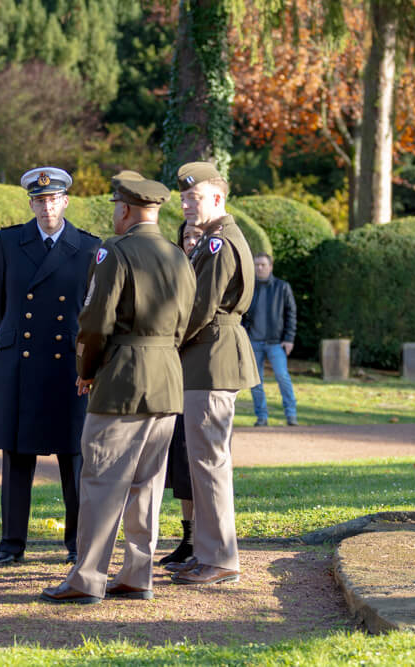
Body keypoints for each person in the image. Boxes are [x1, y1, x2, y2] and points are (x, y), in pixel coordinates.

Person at [40, 170, 196, 603]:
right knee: (147, 485)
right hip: (166, 379)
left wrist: (86, 369)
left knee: (102, 482)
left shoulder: (115, 252)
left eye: (115, 206)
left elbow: (94, 323)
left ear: (125, 209)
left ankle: (86, 577)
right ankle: (136, 574)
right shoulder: (178, 255)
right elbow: (186, 321)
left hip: (122, 379)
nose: (114, 213)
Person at [0, 167, 99, 566]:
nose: (46, 206)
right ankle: (11, 544)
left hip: (69, 366)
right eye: (39, 200)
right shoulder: (9, 241)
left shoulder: (89, 248)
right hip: (21, 364)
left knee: (75, 458)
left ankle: (76, 543)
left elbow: (94, 309)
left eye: (53, 200)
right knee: (16, 458)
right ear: (30, 203)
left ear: (66, 201)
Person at [167, 162, 259, 586]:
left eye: (195, 197)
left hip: (211, 358)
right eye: (184, 197)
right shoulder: (213, 240)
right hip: (207, 359)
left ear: (218, 199)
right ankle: (206, 552)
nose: (186, 204)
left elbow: (200, 308)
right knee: (202, 461)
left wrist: (162, 344)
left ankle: (220, 559)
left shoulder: (219, 243)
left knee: (208, 463)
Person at [157, 222, 203, 567]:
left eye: (197, 237)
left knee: (197, 459)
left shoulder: (211, 271)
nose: (190, 242)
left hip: (200, 373)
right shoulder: (172, 272)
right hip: (171, 373)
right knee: (180, 461)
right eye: (186, 237)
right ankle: (187, 538)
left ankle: (203, 540)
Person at [243, 252, 298, 426]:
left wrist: (289, 338)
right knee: (256, 382)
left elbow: (291, 314)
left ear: (270, 266)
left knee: (282, 377)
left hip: (276, 343)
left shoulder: (282, 287)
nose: (259, 268)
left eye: (263, 265)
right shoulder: (248, 288)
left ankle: (291, 415)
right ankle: (262, 417)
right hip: (253, 342)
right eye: (257, 265)